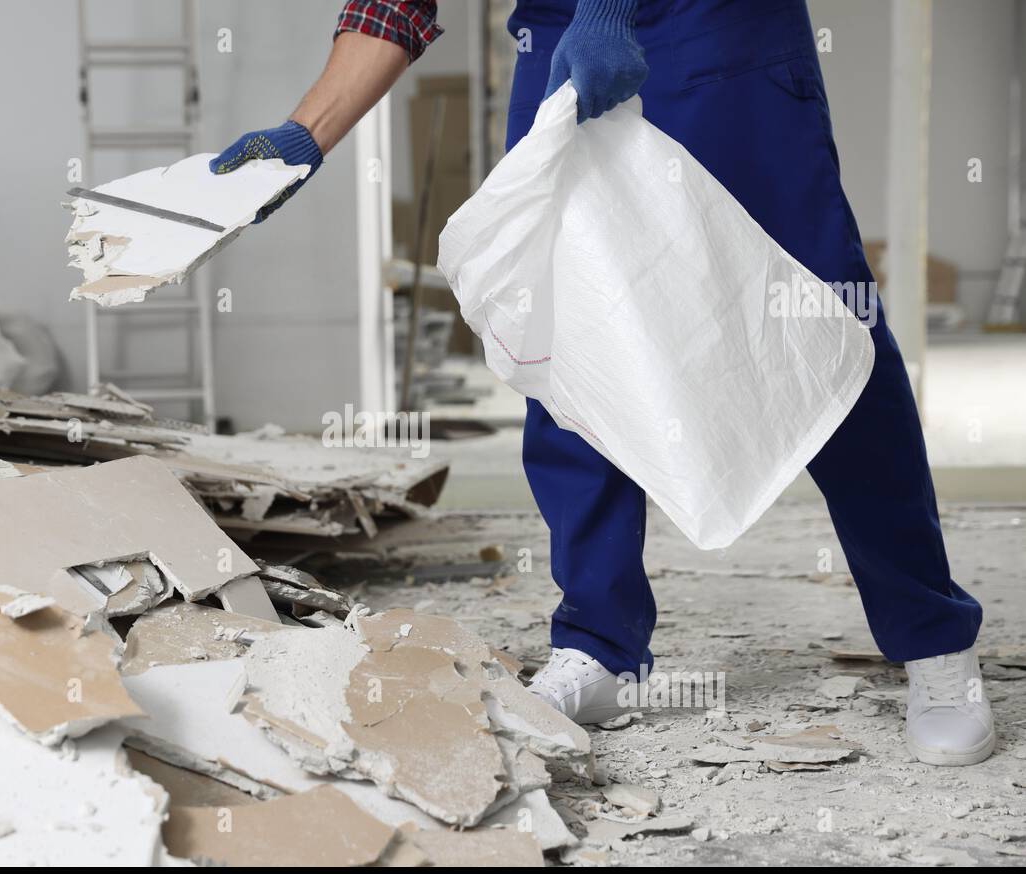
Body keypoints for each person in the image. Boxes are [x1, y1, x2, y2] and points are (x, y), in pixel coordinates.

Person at [211, 0, 996, 767]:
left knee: (819, 322)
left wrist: (611, 9)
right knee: (565, 335)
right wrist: (306, 134)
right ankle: (599, 645)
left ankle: (933, 637)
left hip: (718, 24)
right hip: (557, 36)